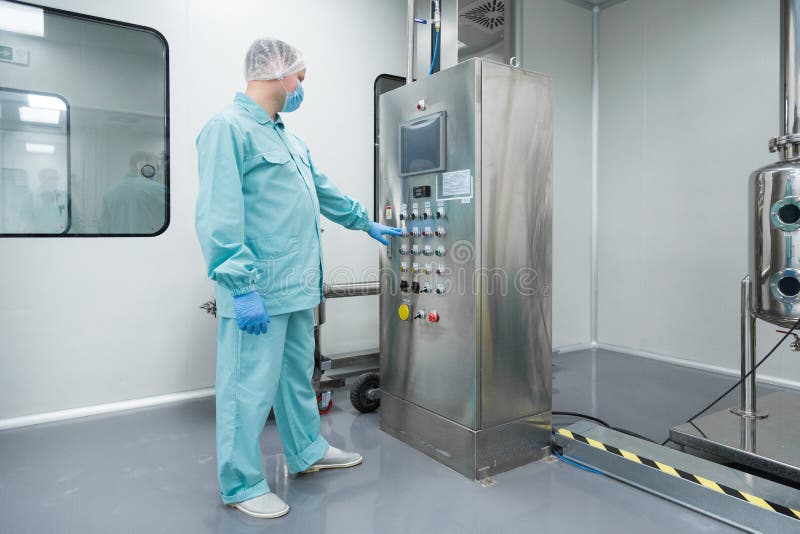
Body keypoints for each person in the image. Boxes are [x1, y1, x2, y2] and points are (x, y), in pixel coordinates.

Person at [194, 38, 401, 519]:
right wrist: (240, 287)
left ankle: (307, 451)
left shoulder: (287, 138)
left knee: (295, 380)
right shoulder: (227, 130)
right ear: (277, 73)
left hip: (296, 287)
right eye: (300, 79)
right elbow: (218, 217)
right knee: (247, 388)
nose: (301, 88)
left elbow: (321, 192)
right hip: (258, 290)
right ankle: (241, 483)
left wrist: (363, 220)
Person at [98, 152, 166, 234]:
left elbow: (103, 230)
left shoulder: (110, 193)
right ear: (146, 166)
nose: (158, 171)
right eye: (156, 167)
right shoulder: (158, 189)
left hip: (118, 245)